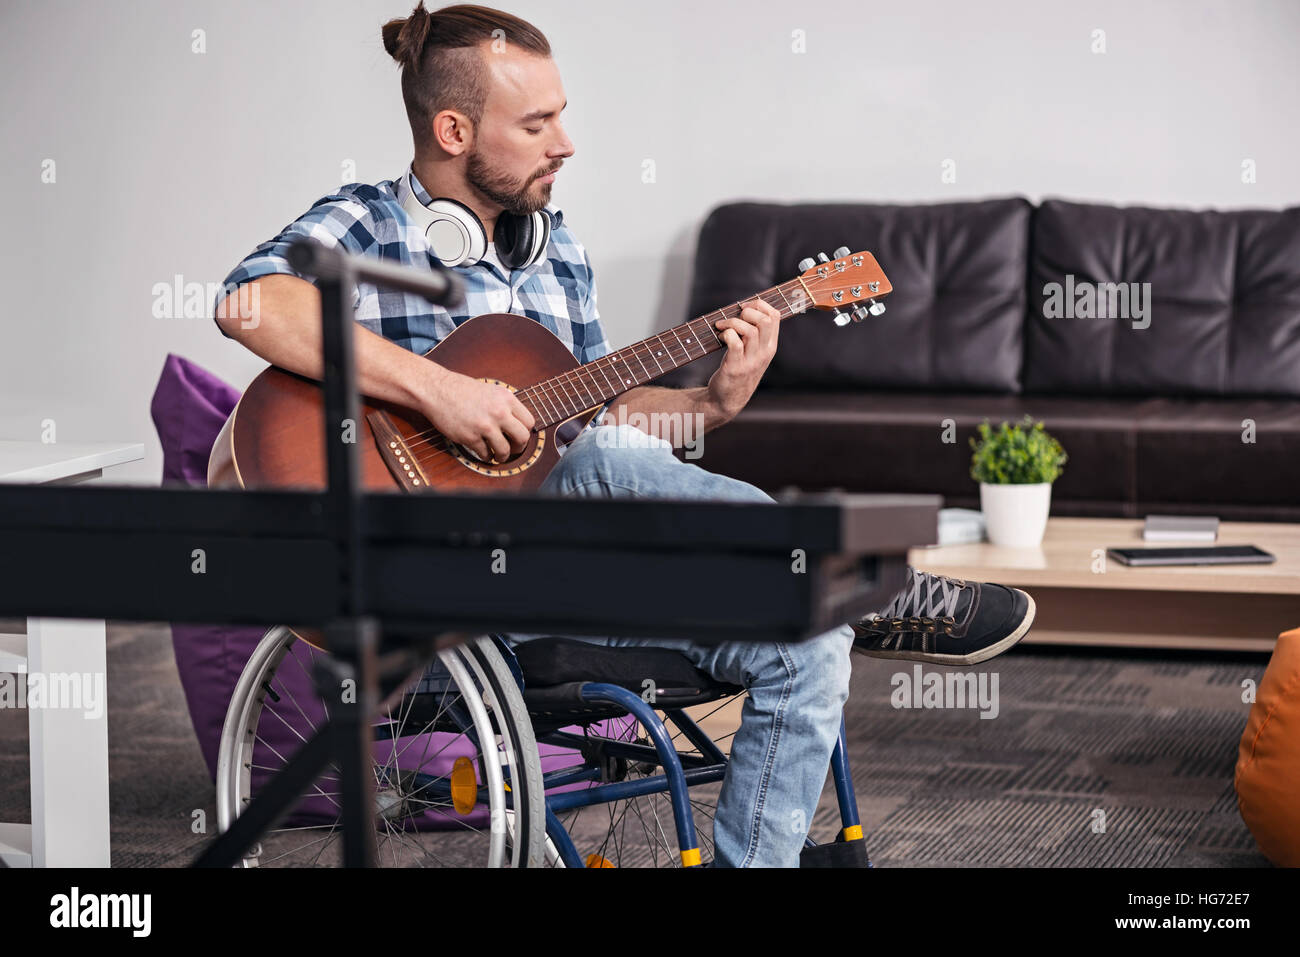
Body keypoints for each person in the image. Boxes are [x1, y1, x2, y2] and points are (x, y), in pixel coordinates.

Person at [212, 2, 1035, 867]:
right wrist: (441, 392)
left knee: (809, 641)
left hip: (583, 577)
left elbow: (601, 435)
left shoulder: (557, 251)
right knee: (610, 462)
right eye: (538, 122)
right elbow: (249, 303)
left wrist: (714, 404)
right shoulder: (369, 226)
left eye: (562, 114)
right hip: (435, 586)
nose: (566, 141)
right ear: (453, 129)